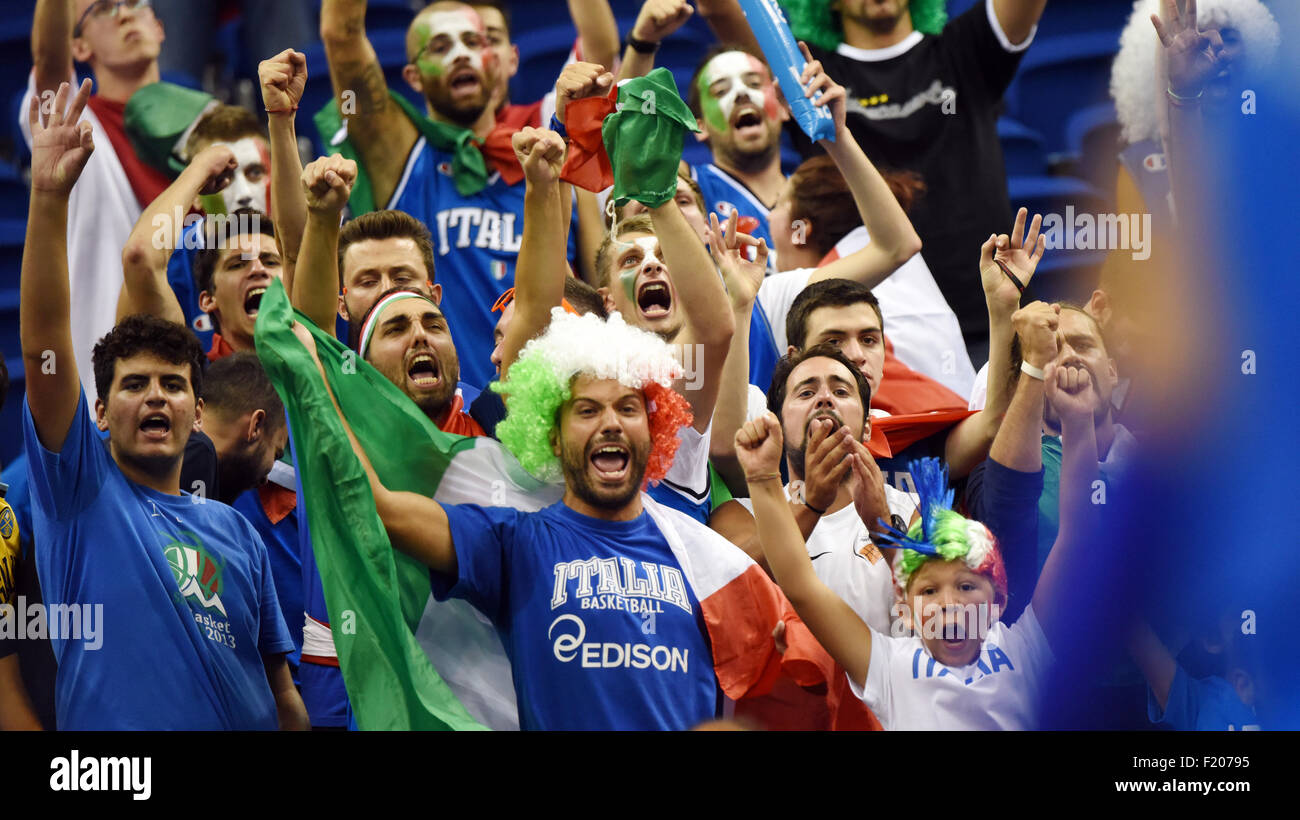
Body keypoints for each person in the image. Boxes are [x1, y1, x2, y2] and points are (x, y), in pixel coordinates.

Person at [289, 306, 833, 730]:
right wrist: (317, 385)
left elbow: (793, 640)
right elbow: (381, 507)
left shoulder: (699, 553)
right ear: (552, 435)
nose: (612, 424)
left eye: (628, 408)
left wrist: (771, 487)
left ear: (656, 429)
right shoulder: (515, 542)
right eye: (587, 410)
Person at [19, 81, 307, 729]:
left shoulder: (239, 535)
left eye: (173, 386)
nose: (156, 396)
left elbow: (283, 697)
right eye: (133, 385)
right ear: (98, 413)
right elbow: (43, 342)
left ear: (197, 409)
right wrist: (47, 197)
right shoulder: (79, 498)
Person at [738, 360, 1095, 730]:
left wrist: (1080, 422)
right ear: (906, 609)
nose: (948, 603)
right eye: (928, 590)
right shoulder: (888, 665)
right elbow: (800, 584)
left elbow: (1078, 537)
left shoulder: (1027, 648)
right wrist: (763, 477)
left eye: (967, 585)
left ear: (999, 600)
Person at [700, 0, 1051, 365]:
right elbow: (722, 10)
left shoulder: (966, 46)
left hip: (994, 319)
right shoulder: (806, 75)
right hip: (869, 341)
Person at [318, 0, 578, 389]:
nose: (460, 55)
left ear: (496, 58)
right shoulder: (400, 153)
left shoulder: (543, 161)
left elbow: (572, 287)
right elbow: (342, 35)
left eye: (473, 41)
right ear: (413, 75)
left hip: (537, 407)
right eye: (440, 47)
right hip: (434, 413)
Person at [771, 206, 1044, 491]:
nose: (856, 356)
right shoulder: (764, 445)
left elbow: (991, 426)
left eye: (869, 340)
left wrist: (1002, 307)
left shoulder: (915, 440)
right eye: (833, 342)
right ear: (795, 357)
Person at [22, 0, 175, 401]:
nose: (125, 15)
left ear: (159, 27)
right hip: (106, 392)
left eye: (135, 4)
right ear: (80, 47)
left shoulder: (214, 128)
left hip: (201, 385)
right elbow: (48, 58)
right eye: (104, 8)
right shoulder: (74, 130)